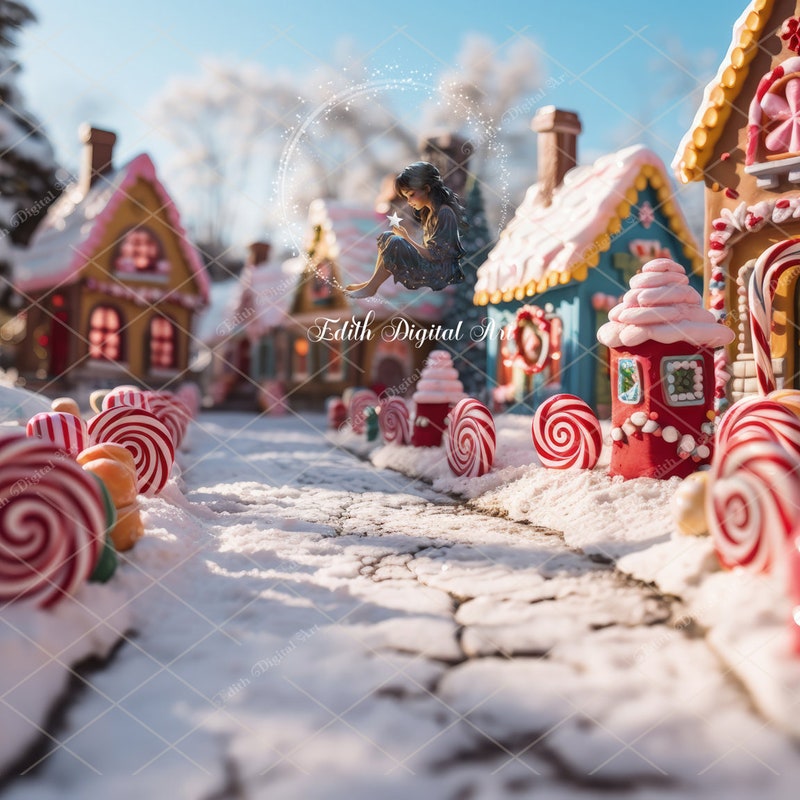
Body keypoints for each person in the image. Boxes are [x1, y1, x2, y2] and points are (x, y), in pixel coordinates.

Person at [345, 161, 466, 298]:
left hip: (439, 272)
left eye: (411, 195)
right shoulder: (429, 212)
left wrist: (407, 238)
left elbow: (434, 255)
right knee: (388, 236)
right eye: (406, 196)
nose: (408, 201)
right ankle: (372, 284)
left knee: (395, 242)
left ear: (426, 189)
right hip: (430, 263)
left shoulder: (444, 214)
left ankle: (371, 287)